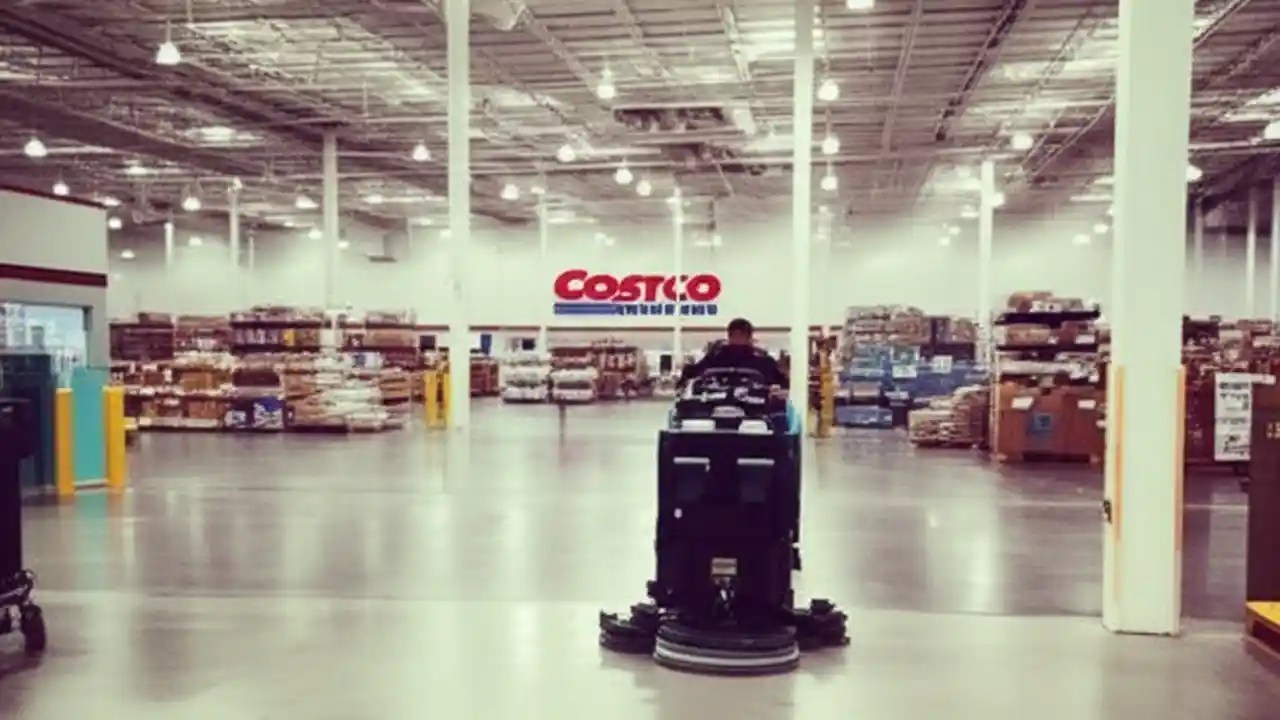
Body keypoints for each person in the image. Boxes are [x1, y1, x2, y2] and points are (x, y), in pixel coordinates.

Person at [679, 318, 789, 391]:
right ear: (750, 337)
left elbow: (692, 374)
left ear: (729, 336)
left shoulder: (714, 358)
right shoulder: (764, 361)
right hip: (755, 410)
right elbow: (782, 384)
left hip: (714, 407)